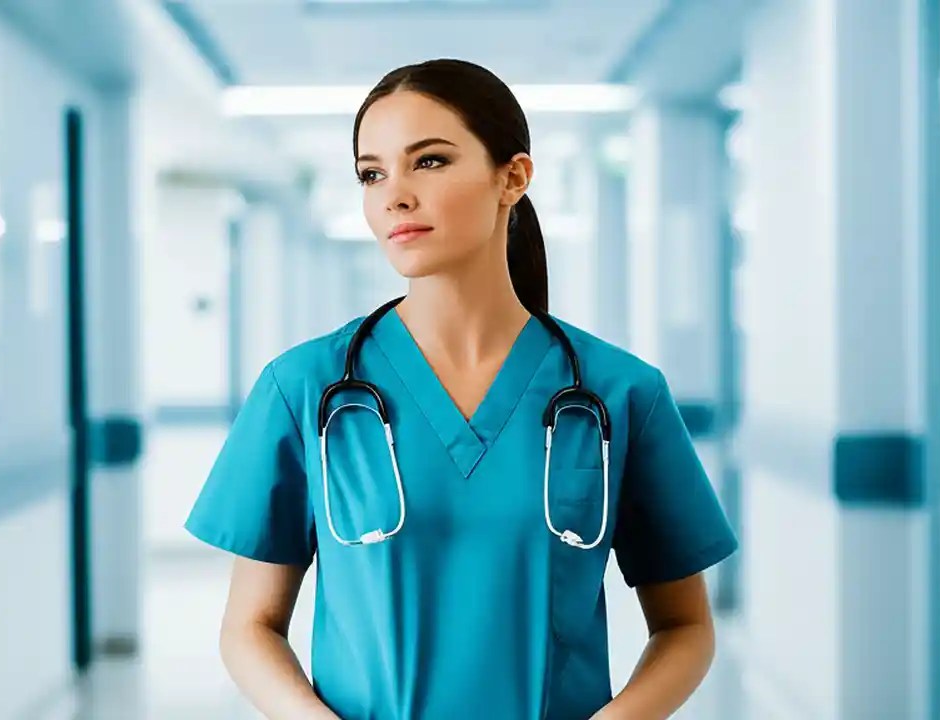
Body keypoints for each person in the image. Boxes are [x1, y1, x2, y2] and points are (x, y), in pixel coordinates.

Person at [185, 58, 739, 720]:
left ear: (514, 177)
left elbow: (684, 626)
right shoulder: (303, 389)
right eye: (371, 173)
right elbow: (249, 627)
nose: (394, 195)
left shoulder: (621, 395)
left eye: (430, 161)